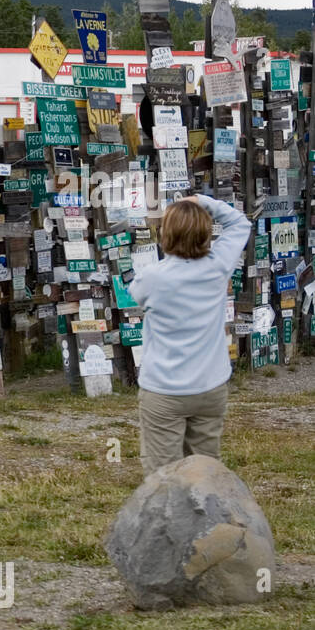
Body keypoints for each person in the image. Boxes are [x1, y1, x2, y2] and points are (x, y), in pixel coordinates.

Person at [129, 192, 250, 475]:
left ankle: (169, 519)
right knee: (206, 469)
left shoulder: (152, 277)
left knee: (164, 475)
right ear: (205, 233)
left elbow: (136, 296)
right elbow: (240, 223)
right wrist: (203, 201)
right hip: (210, 386)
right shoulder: (218, 266)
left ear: (166, 234)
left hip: (163, 389)